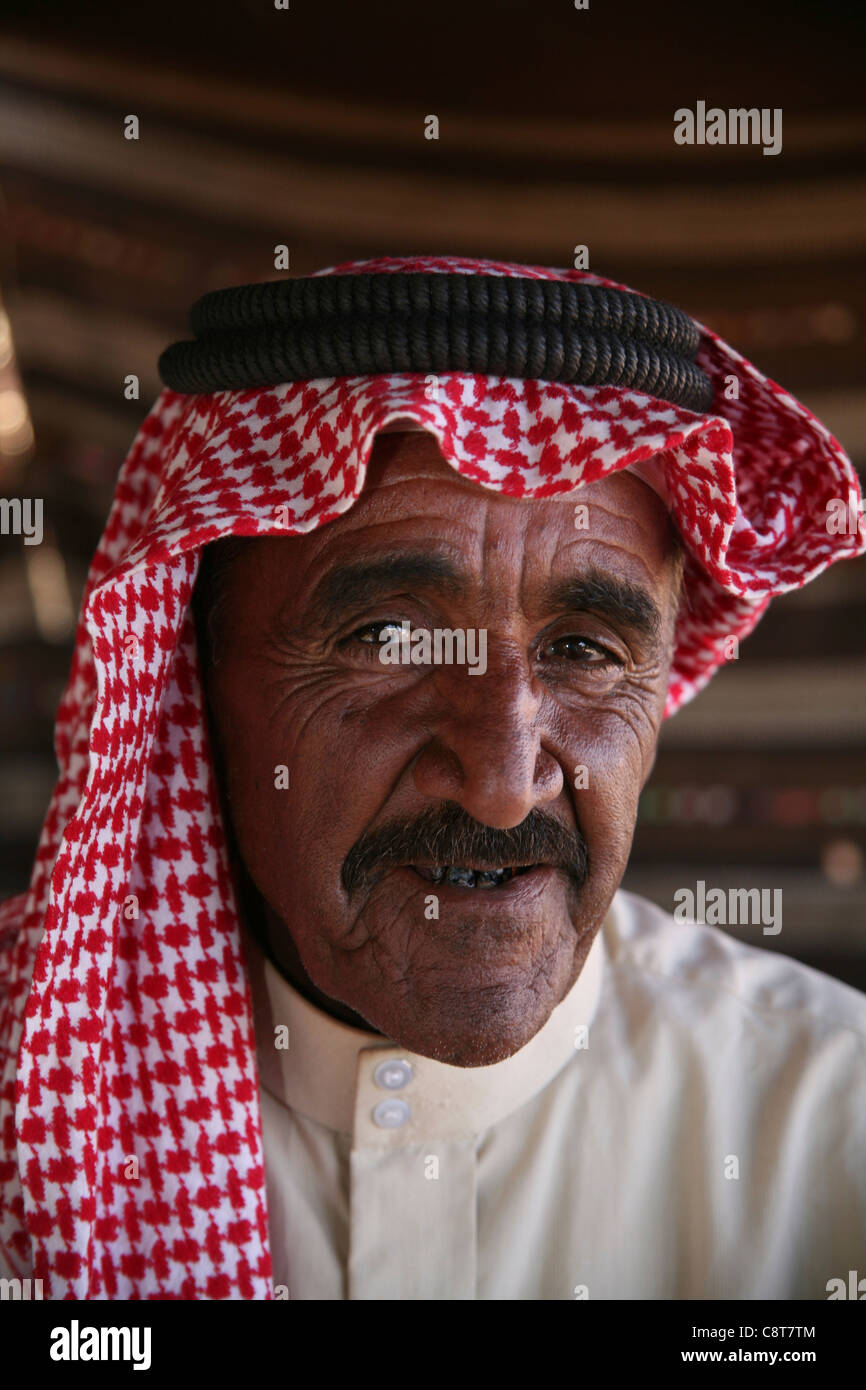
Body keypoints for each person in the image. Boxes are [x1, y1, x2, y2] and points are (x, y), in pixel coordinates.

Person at [0, 254, 863, 1300]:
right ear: (187, 678)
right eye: (387, 638)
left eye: (585, 650)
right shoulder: (27, 1098)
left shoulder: (830, 1121)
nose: (501, 786)